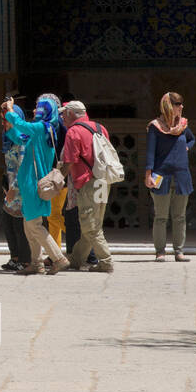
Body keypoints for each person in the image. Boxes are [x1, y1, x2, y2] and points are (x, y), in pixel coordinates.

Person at [2, 96, 70, 275]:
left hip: (33, 184)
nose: (35, 111)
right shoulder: (44, 131)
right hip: (31, 184)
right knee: (29, 225)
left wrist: (10, 110)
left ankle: (58, 258)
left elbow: (23, 126)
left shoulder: (42, 128)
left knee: (35, 226)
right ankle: (36, 263)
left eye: (38, 108)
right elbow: (22, 137)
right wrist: (9, 128)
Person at [61, 100, 114, 273]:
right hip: (103, 181)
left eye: (64, 114)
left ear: (70, 114)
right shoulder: (100, 128)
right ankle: (76, 260)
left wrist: (57, 177)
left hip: (87, 183)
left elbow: (69, 161)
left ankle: (105, 261)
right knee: (92, 223)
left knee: (90, 225)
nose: (62, 117)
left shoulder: (73, 132)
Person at [146, 92, 195, 262]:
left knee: (180, 216)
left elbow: (191, 139)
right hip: (161, 176)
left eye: (181, 104)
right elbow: (150, 152)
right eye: (177, 104)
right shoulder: (155, 126)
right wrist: (148, 174)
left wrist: (186, 147)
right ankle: (160, 251)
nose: (181, 107)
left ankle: (179, 251)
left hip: (181, 176)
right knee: (161, 216)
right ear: (168, 106)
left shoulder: (183, 125)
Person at [0, 104, 32, 271]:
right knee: (8, 222)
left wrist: (14, 188)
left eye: (7, 120)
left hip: (20, 190)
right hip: (11, 190)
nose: (4, 123)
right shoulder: (9, 138)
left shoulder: (22, 140)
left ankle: (26, 261)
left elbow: (22, 167)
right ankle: (15, 257)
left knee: (20, 227)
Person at [39, 92, 68, 254]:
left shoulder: (53, 126)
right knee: (52, 215)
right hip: (55, 174)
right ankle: (55, 252)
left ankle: (82, 238)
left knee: (53, 215)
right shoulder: (58, 124)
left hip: (56, 176)